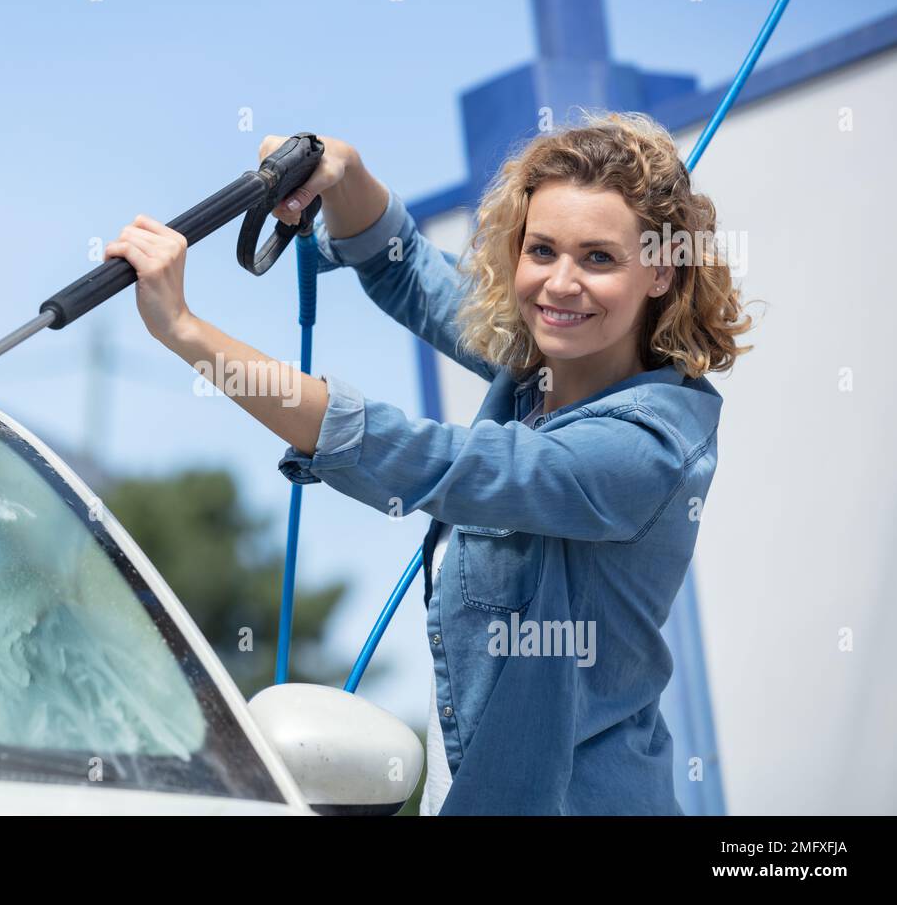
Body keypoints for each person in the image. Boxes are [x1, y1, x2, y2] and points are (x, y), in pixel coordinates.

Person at [104, 111, 754, 815]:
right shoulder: (542, 367)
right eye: (541, 251)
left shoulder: (644, 447)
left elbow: (425, 459)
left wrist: (184, 330)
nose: (560, 284)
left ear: (659, 270)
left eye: (599, 258)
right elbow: (408, 269)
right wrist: (343, 173)